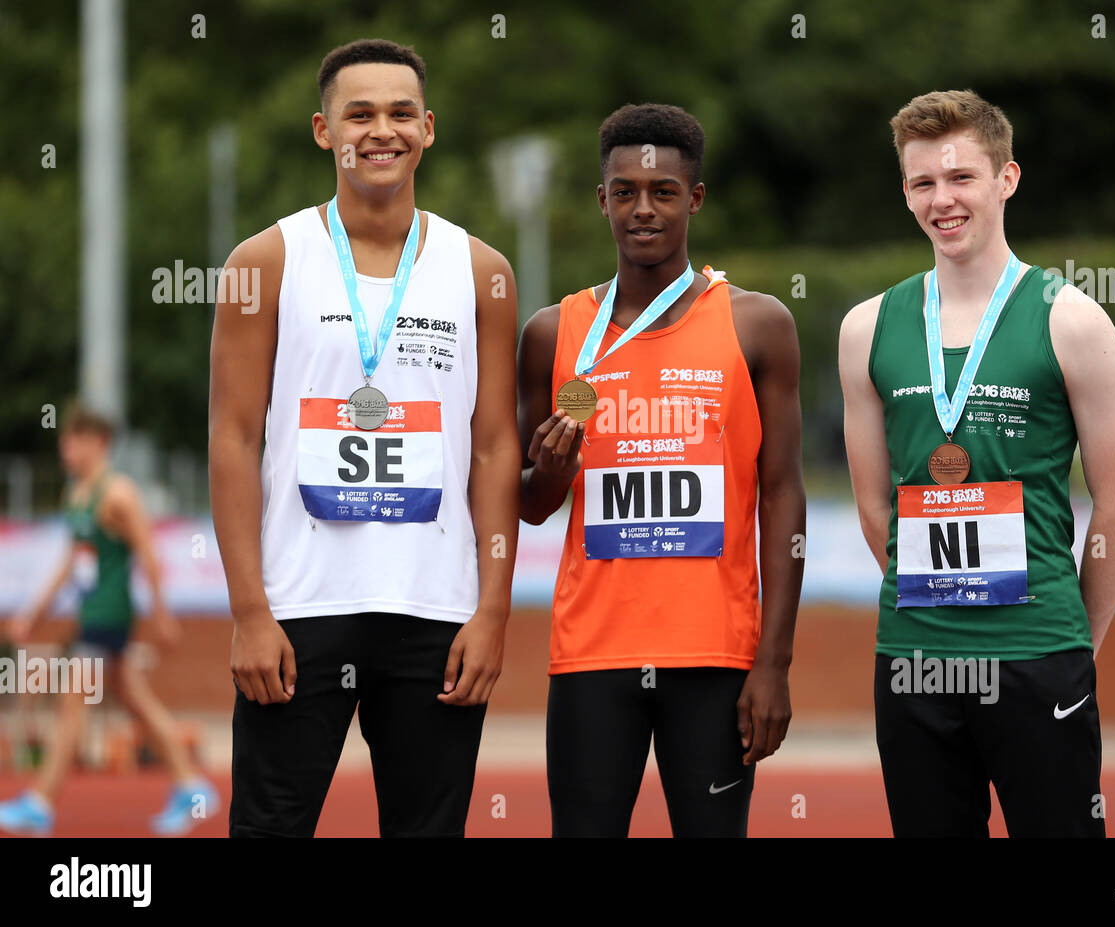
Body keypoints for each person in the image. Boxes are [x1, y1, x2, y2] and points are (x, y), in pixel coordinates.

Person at [208, 39, 519, 837]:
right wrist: (249, 610)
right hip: (300, 606)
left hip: (434, 610)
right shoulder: (265, 262)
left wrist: (491, 612)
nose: (381, 130)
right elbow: (234, 438)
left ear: (428, 129)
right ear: (324, 130)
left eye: (400, 113)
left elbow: (492, 446)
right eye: (360, 113)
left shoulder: (481, 270)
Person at [838, 90, 1115, 837]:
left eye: (961, 177)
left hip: (1039, 653)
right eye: (922, 183)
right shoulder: (867, 327)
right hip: (913, 660)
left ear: (1006, 178)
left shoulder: (1072, 318)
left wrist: (1073, 638)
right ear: (906, 191)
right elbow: (876, 507)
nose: (943, 200)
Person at [518, 103, 806, 837]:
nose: (642, 210)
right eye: (625, 192)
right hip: (592, 655)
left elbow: (782, 494)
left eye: (663, 192)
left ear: (695, 198)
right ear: (602, 199)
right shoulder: (552, 332)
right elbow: (528, 503)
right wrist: (551, 470)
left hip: (715, 655)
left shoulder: (757, 324)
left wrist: (772, 661)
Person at [0, 405, 218, 836]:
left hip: (111, 615)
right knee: (134, 700)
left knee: (71, 702)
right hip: (90, 612)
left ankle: (41, 804)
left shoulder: (119, 494)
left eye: (76, 439)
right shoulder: (75, 495)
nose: (66, 448)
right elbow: (70, 562)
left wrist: (161, 615)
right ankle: (193, 787)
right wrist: (32, 614)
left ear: (99, 444)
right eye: (64, 439)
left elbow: (150, 555)